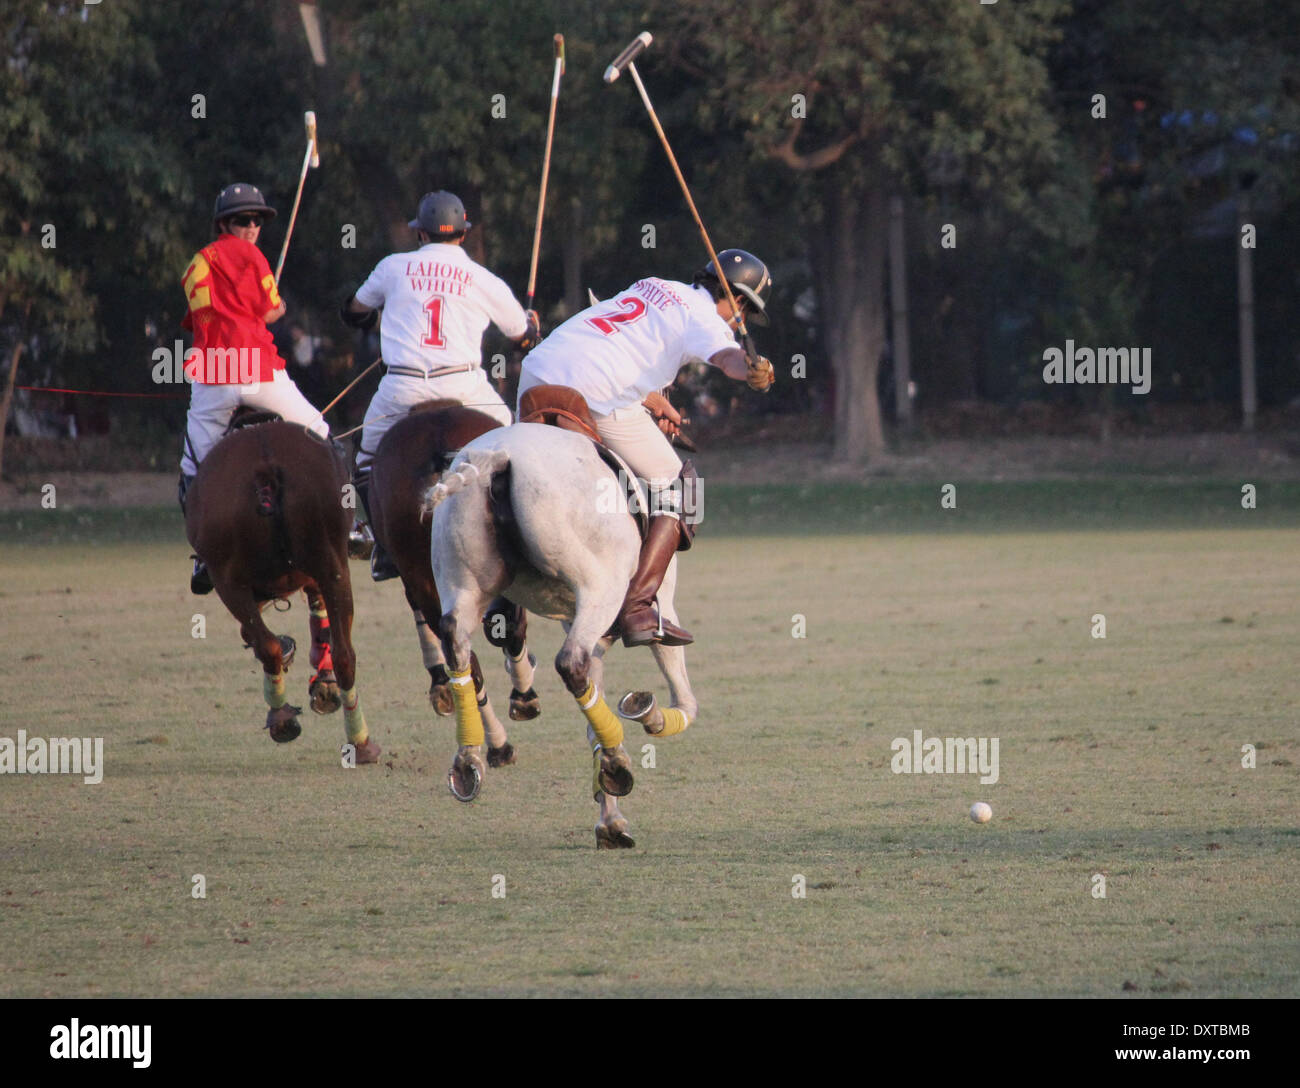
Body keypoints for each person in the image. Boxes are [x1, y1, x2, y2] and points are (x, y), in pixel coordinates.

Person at [518, 249, 776, 647]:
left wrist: (654, 400)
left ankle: (505, 601)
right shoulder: (707, 319)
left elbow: (621, 344)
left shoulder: (657, 285)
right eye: (744, 312)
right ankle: (638, 607)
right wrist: (752, 371)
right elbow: (727, 358)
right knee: (682, 487)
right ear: (739, 300)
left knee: (516, 479)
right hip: (594, 394)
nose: (739, 320)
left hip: (538, 372)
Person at [341, 190, 539, 579]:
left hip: (402, 387)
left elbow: (354, 311)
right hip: (466, 385)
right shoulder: (484, 278)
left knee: (364, 459)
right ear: (463, 234)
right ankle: (521, 537)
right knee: (519, 446)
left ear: (420, 234)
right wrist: (532, 325)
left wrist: (370, 320)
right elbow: (522, 339)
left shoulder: (393, 268)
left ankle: (384, 546)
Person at [178, 183, 330, 594]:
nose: (252, 227)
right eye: (244, 220)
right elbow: (270, 309)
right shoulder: (252, 255)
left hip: (212, 375)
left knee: (194, 468)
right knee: (321, 433)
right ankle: (349, 527)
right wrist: (274, 306)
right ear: (224, 224)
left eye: (257, 220)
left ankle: (203, 556)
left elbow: (200, 317)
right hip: (257, 372)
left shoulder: (195, 265)